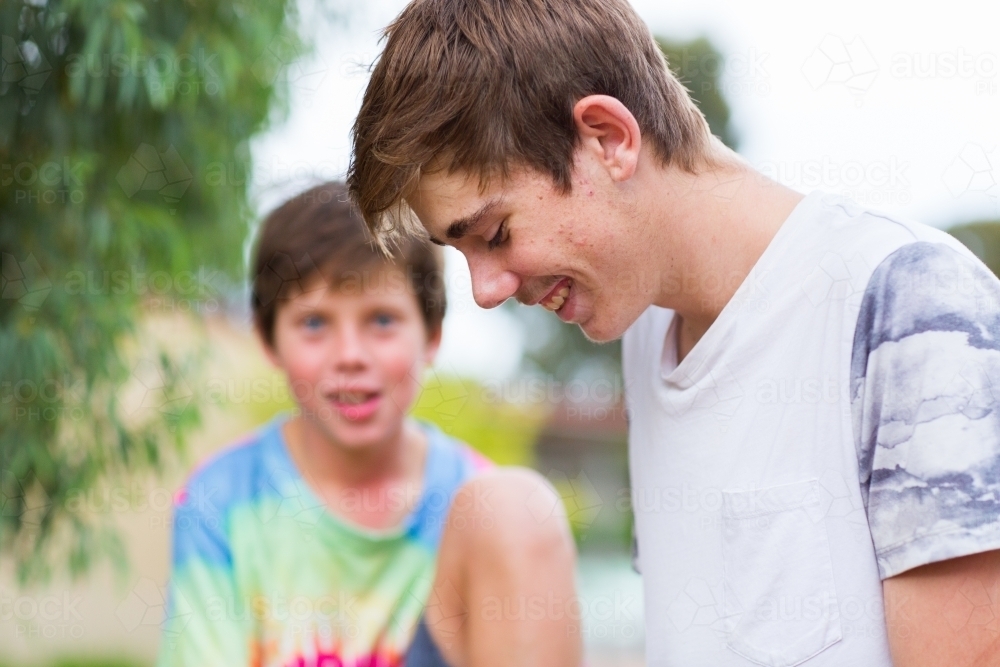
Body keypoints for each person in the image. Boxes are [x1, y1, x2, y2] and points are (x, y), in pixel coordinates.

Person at [346, 1, 1000, 665]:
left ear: (608, 138)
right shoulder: (644, 333)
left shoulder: (909, 305)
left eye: (495, 234)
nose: (486, 292)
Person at [157, 182, 581, 667]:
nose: (351, 356)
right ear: (269, 341)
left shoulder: (481, 510)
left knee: (518, 509)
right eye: (314, 323)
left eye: (381, 320)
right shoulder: (223, 503)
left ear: (432, 335)